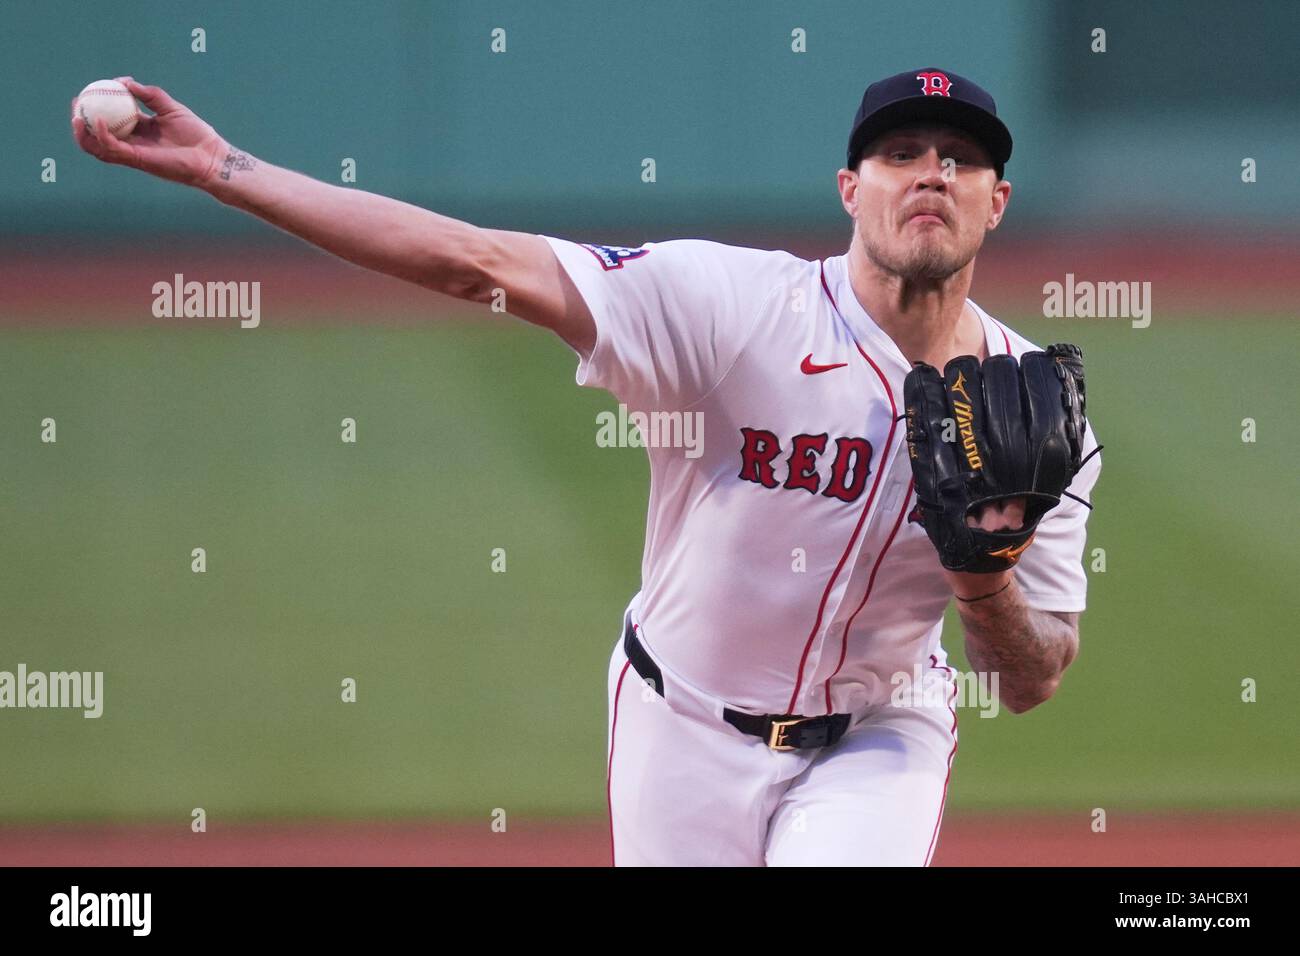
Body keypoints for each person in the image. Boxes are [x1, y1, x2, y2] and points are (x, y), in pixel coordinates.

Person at [74, 66, 1101, 867]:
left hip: (879, 732)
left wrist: (986, 580)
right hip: (680, 721)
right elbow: (474, 260)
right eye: (901, 151)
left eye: (960, 157)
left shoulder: (1038, 412)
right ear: (850, 188)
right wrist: (224, 168)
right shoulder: (732, 306)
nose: (931, 170)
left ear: (996, 199)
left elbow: (1031, 676)